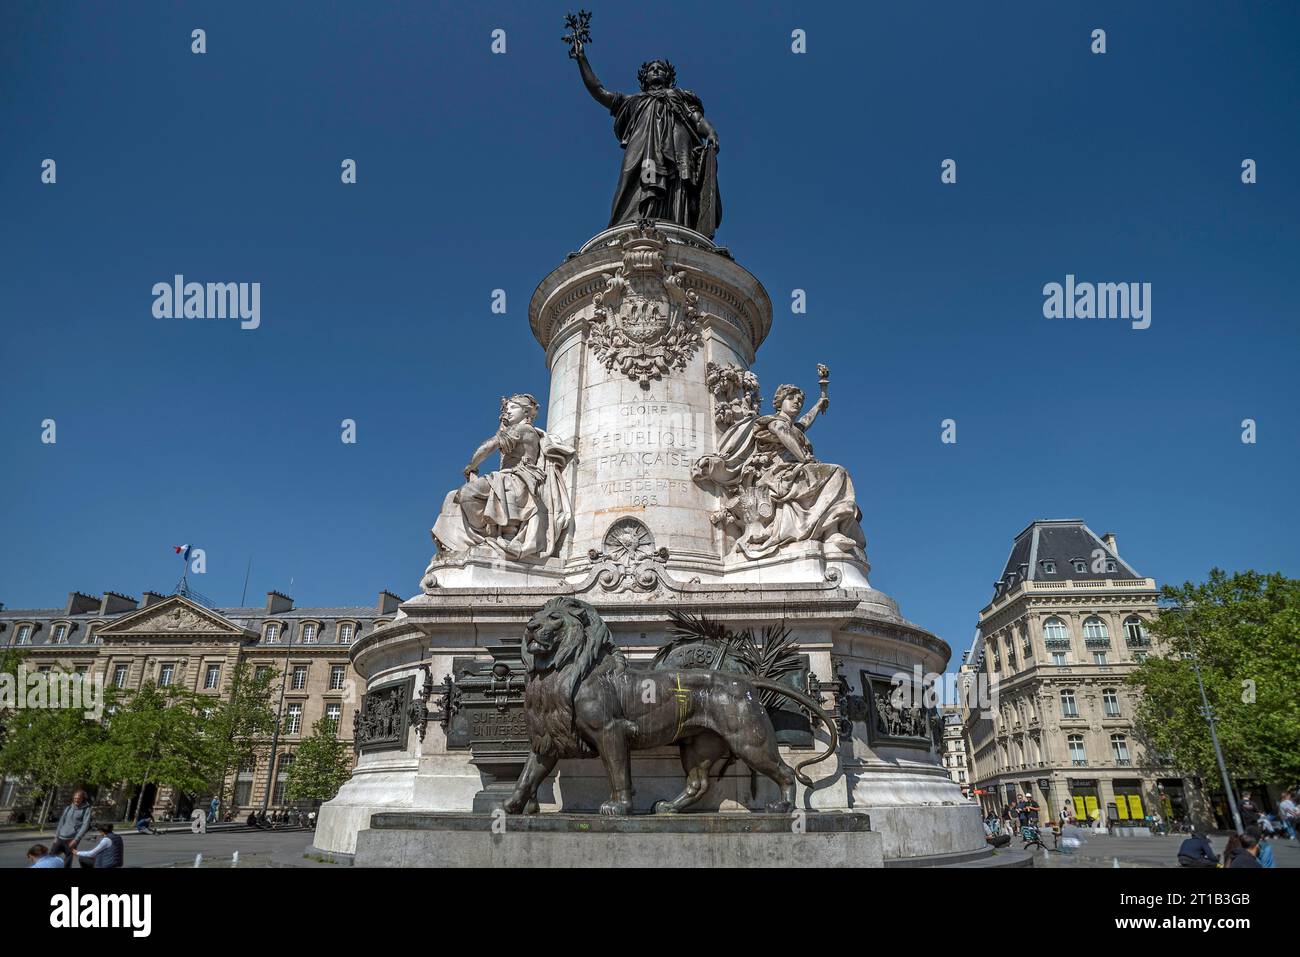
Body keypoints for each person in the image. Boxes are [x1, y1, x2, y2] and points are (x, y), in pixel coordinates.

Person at [49, 790, 94, 869]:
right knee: (49, 858)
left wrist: (76, 840)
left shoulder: (86, 810)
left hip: (71, 839)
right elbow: (61, 822)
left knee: (67, 861)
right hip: (60, 837)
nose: (76, 800)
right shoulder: (69, 807)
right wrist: (56, 836)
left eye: (78, 798)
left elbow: (85, 825)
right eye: (75, 798)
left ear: (83, 799)